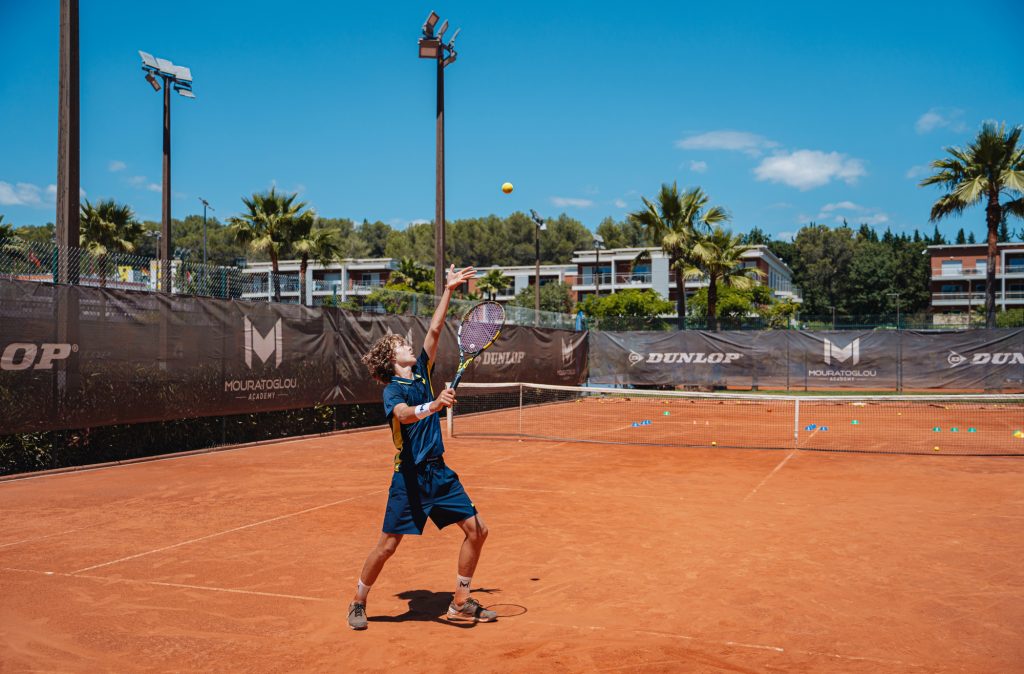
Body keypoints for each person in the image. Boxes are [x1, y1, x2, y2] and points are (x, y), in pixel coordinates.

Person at [347, 264, 496, 630]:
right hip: (410, 479)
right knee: (387, 546)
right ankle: (357, 601)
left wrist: (448, 289)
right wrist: (434, 405)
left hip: (439, 472)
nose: (408, 345)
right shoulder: (393, 391)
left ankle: (460, 601)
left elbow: (434, 328)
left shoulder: (423, 372)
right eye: (400, 345)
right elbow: (403, 415)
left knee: (478, 530)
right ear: (391, 360)